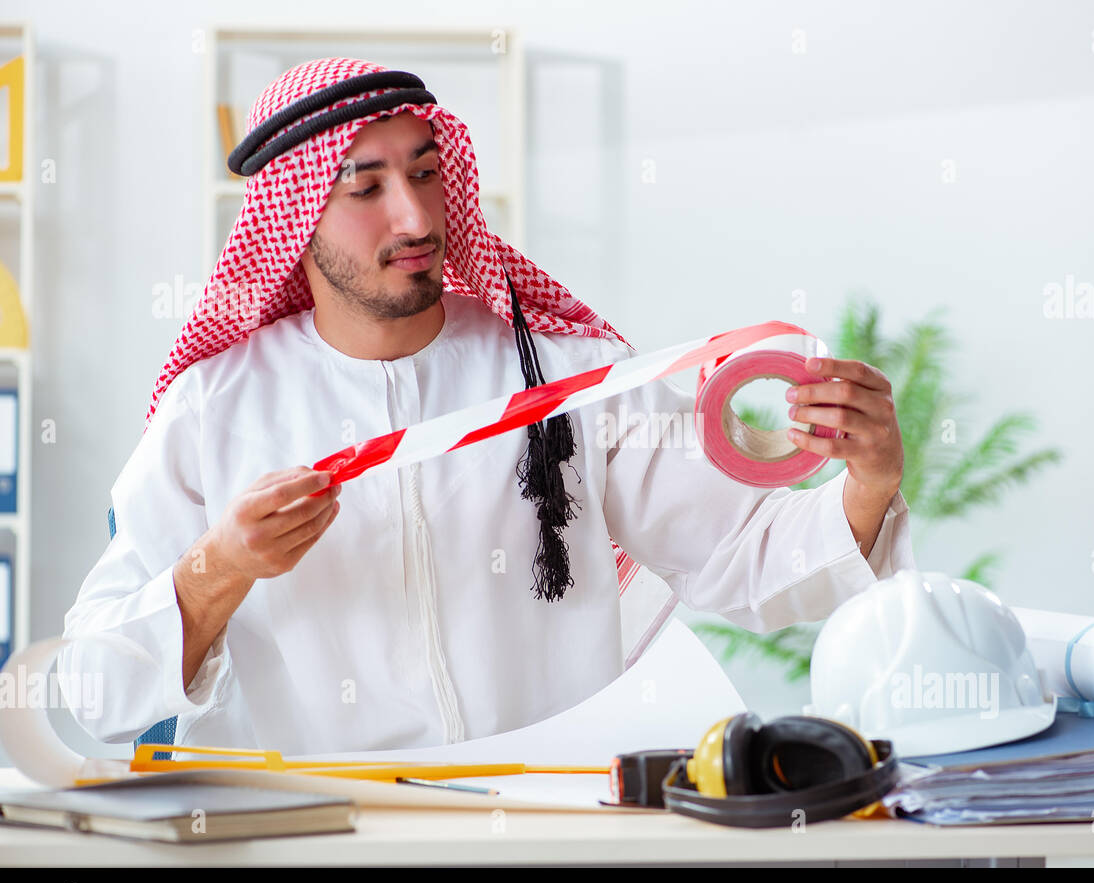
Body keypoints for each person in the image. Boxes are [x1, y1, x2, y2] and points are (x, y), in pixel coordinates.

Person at [61, 58, 915, 754]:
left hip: (544, 826)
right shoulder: (214, 411)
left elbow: (741, 555)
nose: (414, 214)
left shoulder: (570, 373)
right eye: (366, 189)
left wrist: (869, 481)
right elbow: (96, 687)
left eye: (427, 174)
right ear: (295, 217)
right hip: (312, 837)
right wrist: (221, 566)